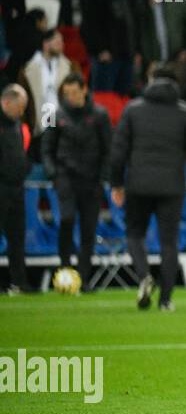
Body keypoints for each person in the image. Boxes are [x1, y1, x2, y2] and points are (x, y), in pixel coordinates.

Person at [109, 65, 186, 312]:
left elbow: (118, 150)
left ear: (150, 80)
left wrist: (116, 183)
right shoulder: (185, 112)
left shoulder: (133, 110)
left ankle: (144, 275)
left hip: (138, 184)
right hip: (172, 185)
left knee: (134, 234)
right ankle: (166, 299)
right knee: (169, 242)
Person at [42, 73, 110, 278]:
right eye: (66, 93)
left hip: (91, 180)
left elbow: (108, 148)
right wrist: (53, 173)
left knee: (89, 228)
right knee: (67, 219)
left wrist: (102, 177)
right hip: (65, 177)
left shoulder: (100, 114)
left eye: (73, 92)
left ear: (84, 90)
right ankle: (64, 269)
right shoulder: (54, 114)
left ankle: (84, 276)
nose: (69, 97)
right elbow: (46, 148)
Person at [0, 84, 33, 293]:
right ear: (6, 102)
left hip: (17, 188)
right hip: (1, 186)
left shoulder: (17, 125)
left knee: (17, 237)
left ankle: (19, 282)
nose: (21, 112)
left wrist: (25, 167)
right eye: (19, 107)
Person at [20, 28, 70, 138]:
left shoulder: (70, 67)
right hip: (38, 126)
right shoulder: (27, 70)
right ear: (46, 44)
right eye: (57, 42)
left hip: (64, 123)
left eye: (62, 42)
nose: (62, 45)